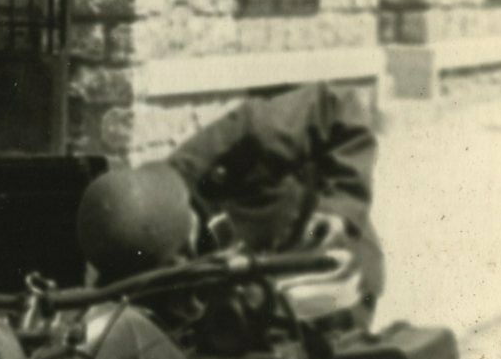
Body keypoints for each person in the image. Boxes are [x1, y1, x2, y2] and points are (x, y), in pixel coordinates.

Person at [78, 83, 382, 330]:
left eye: (183, 253)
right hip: (248, 289)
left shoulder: (249, 135)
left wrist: (338, 208)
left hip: (328, 263)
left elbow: (341, 104)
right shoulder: (138, 241)